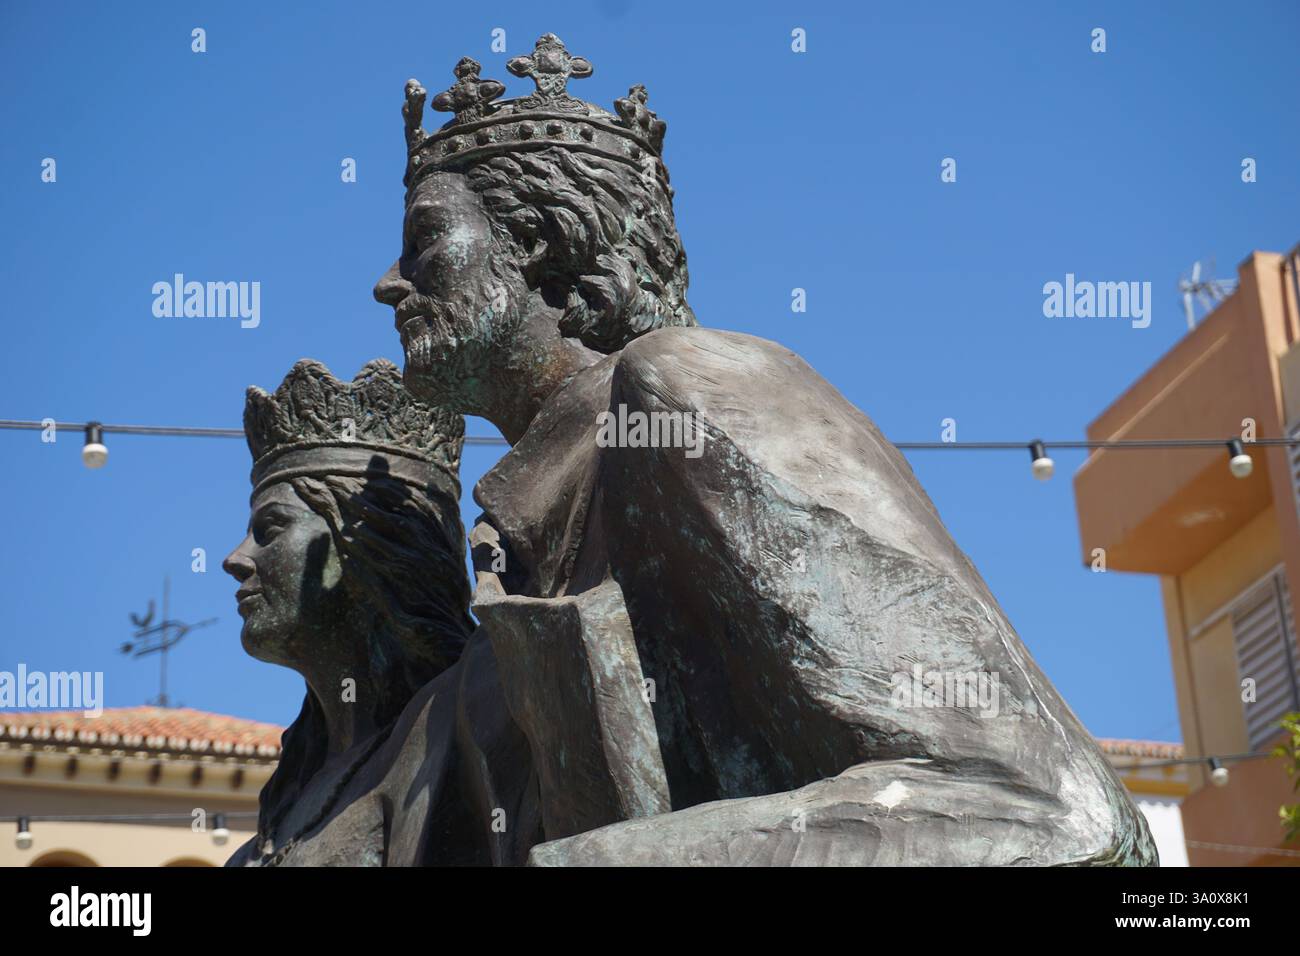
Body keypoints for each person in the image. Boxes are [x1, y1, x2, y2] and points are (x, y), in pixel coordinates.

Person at [373, 36, 1157, 865]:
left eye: (425, 239)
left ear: (539, 242)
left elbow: (1047, 806)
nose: (389, 282)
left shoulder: (675, 386)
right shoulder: (525, 536)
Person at [222, 358, 539, 866]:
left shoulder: (474, 717)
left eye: (271, 529)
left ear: (365, 546)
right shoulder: (265, 833)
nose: (236, 559)